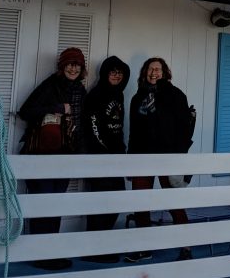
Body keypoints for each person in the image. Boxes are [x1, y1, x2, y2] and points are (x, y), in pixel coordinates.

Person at [18, 47, 87, 270]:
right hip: (42, 155)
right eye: (69, 64)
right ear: (62, 66)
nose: (73, 69)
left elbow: (81, 124)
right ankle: (41, 255)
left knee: (55, 204)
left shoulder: (81, 91)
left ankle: (50, 253)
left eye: (77, 65)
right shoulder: (51, 85)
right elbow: (25, 111)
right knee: (43, 204)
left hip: (66, 155)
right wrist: (57, 108)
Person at [126, 57, 196, 262]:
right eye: (150, 69)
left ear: (165, 73)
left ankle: (186, 247)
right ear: (145, 73)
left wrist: (179, 159)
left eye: (158, 69)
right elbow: (133, 132)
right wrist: (130, 161)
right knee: (141, 203)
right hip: (142, 157)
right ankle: (144, 248)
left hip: (168, 157)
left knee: (173, 201)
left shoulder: (175, 95)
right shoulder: (138, 98)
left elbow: (185, 130)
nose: (154, 72)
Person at [81, 56, 129, 263]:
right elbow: (93, 127)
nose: (117, 76)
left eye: (120, 73)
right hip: (100, 157)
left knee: (116, 200)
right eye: (113, 72)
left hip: (116, 158)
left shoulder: (119, 95)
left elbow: (118, 127)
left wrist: (120, 151)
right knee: (100, 203)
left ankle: (100, 246)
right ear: (105, 74)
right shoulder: (97, 94)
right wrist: (105, 152)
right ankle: (94, 250)